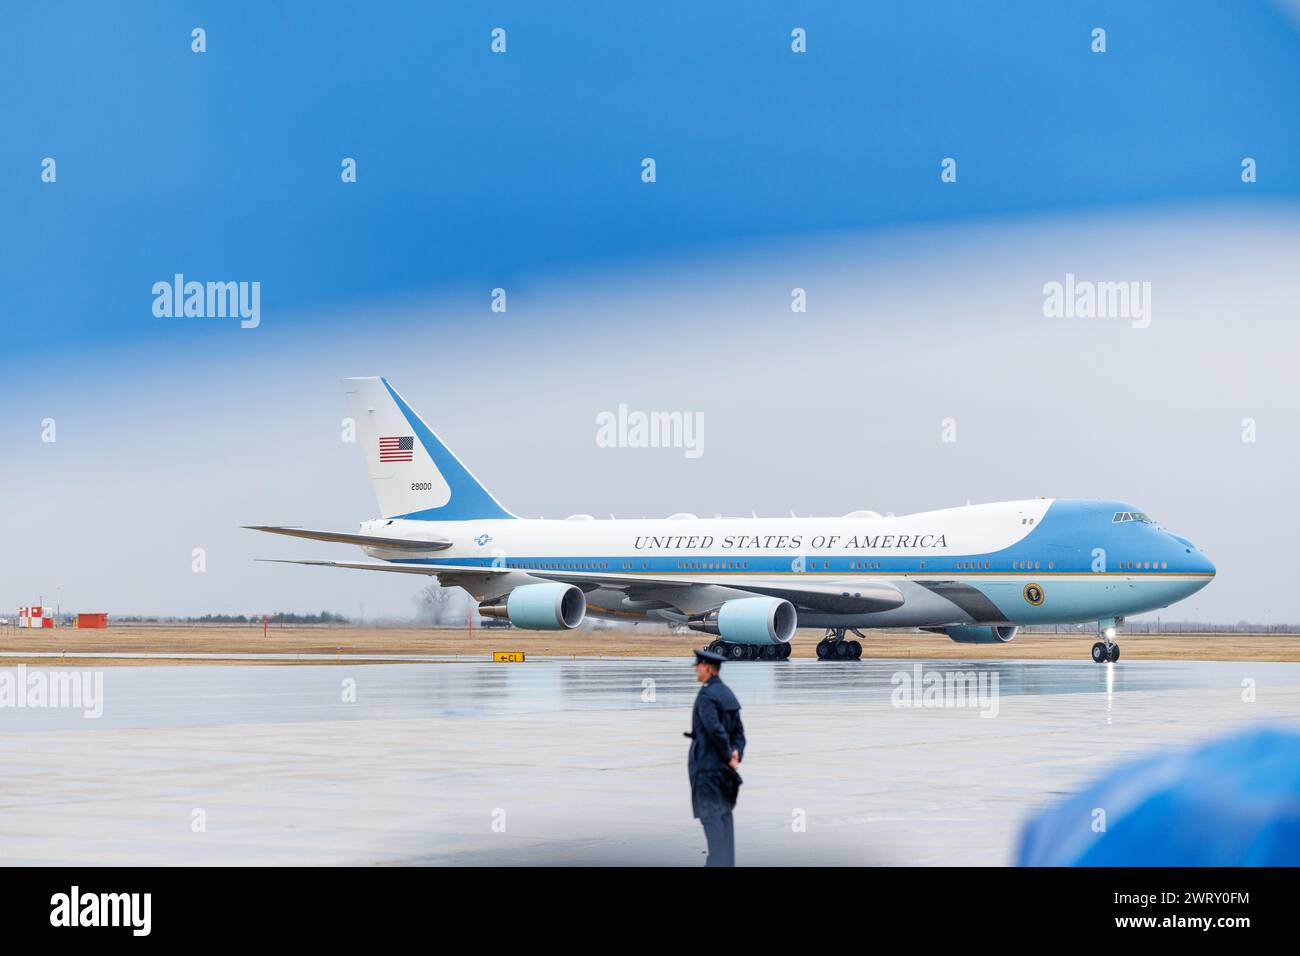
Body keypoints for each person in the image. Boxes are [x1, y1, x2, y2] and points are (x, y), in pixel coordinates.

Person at [684, 647, 746, 866]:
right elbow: (739, 732)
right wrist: (736, 754)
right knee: (724, 817)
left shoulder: (707, 696)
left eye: (698, 666)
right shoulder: (728, 693)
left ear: (708, 668)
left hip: (708, 768)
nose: (696, 670)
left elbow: (714, 730)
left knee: (710, 818)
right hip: (725, 771)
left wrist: (728, 754)